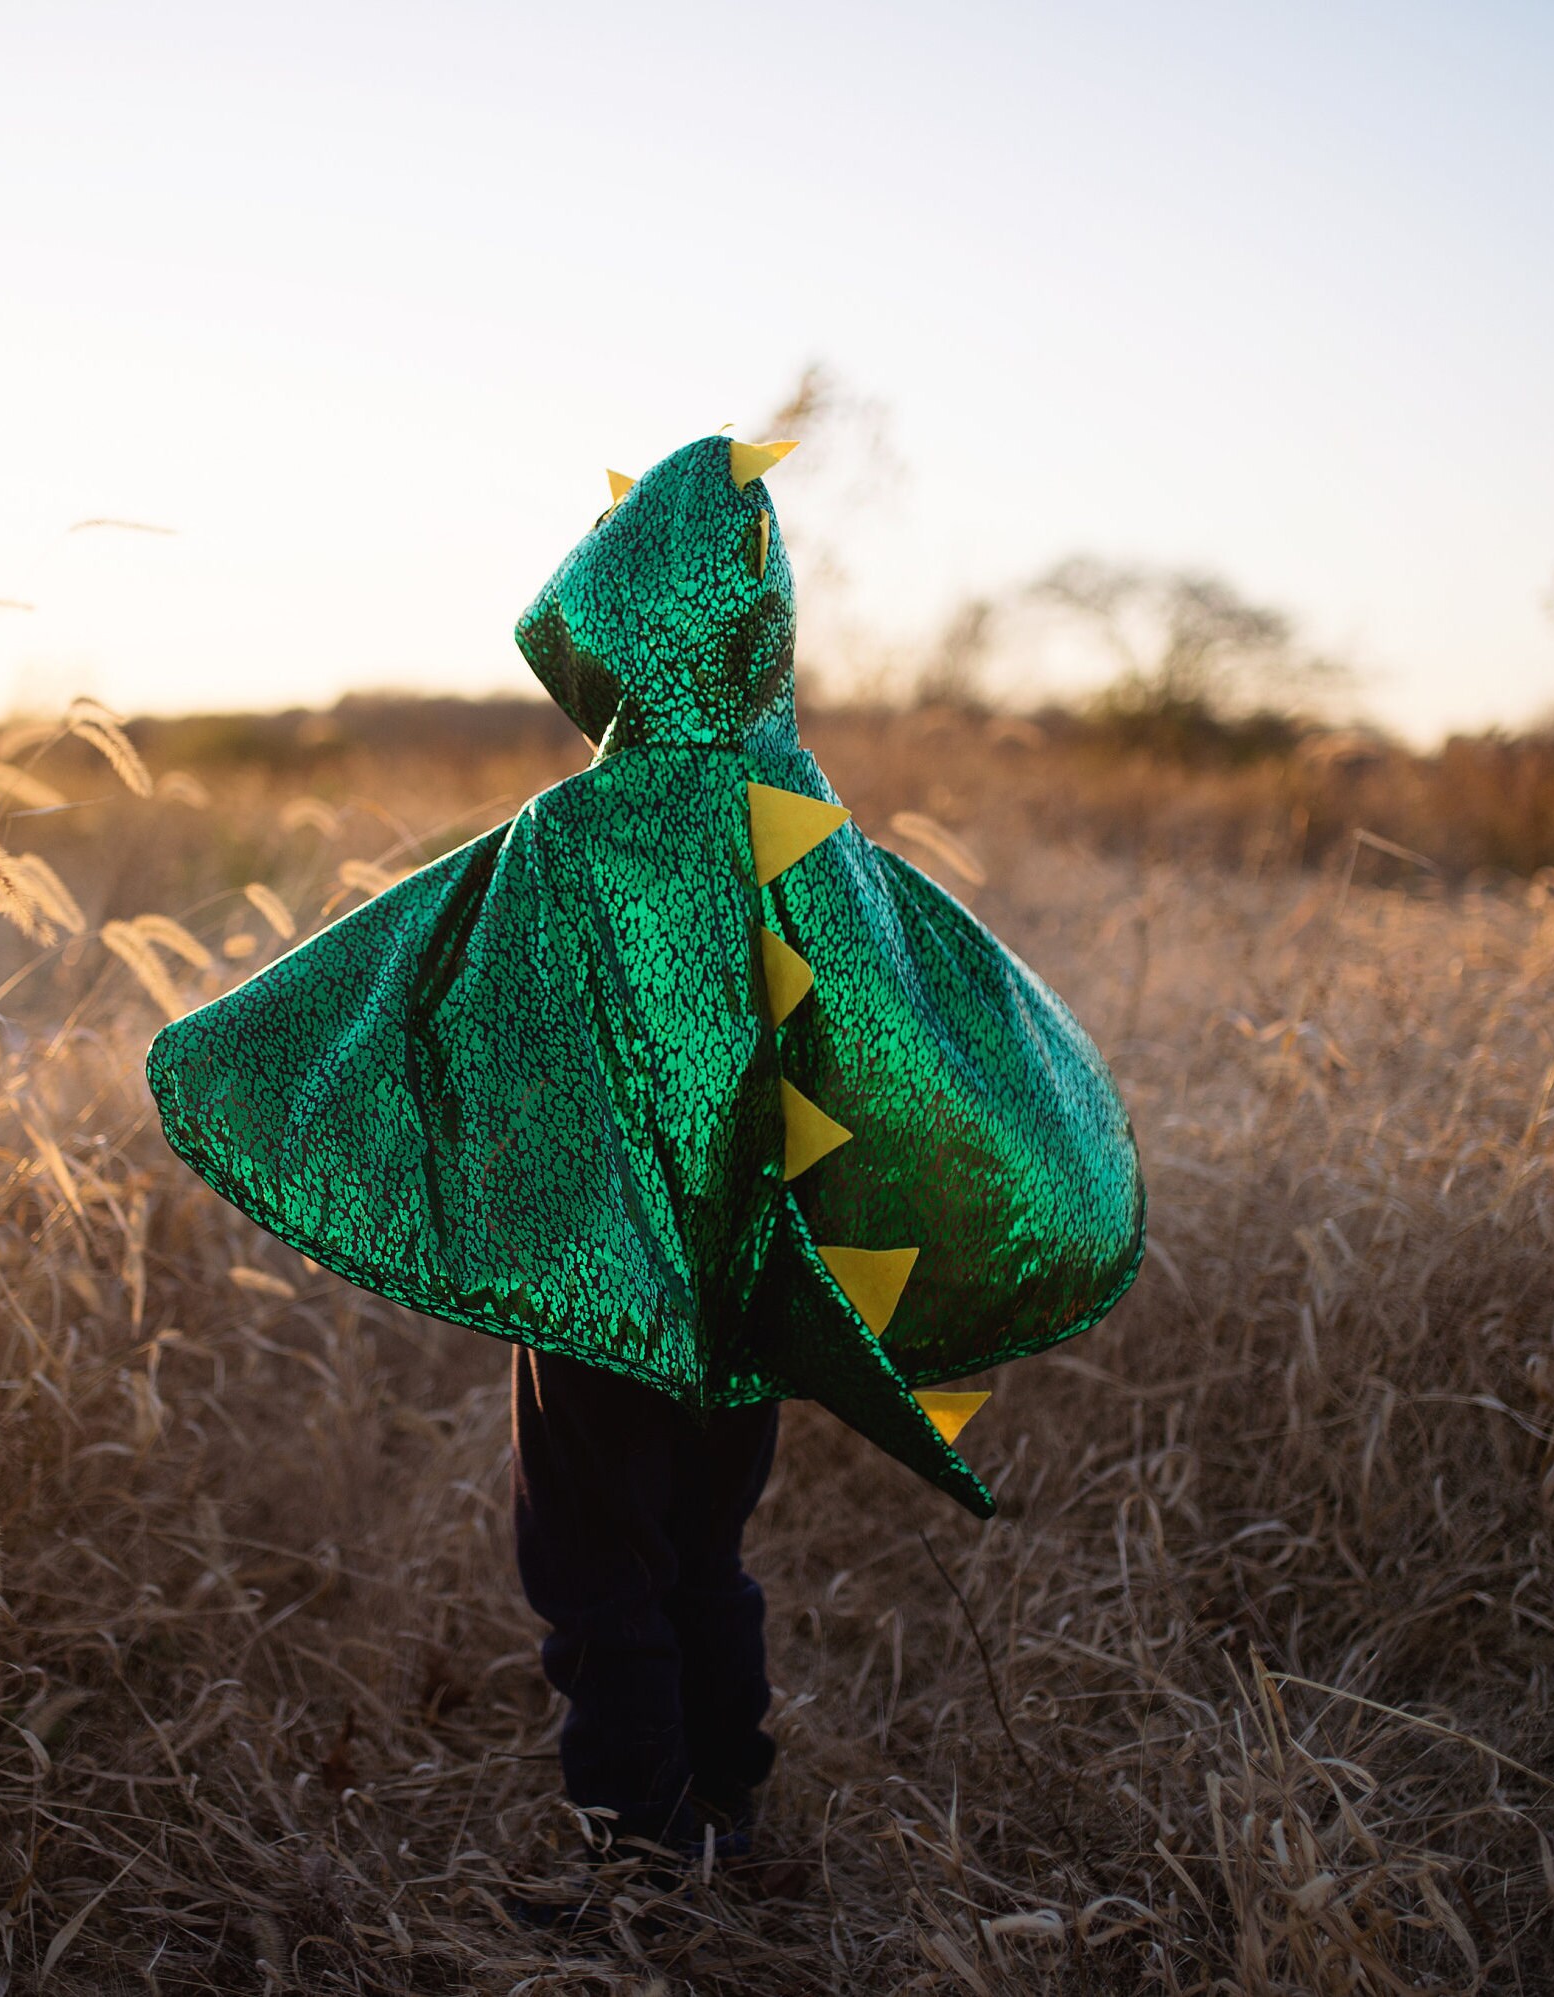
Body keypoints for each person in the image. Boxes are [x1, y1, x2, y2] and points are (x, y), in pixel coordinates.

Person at [146, 432, 1144, 1867]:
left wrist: (232, 1050)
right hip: (756, 1290)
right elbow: (899, 1021)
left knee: (594, 1566)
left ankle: (643, 1859)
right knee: (702, 1551)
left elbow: (419, 979)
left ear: (618, 619)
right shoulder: (810, 828)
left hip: (603, 1288)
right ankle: (728, 1799)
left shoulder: (576, 836)